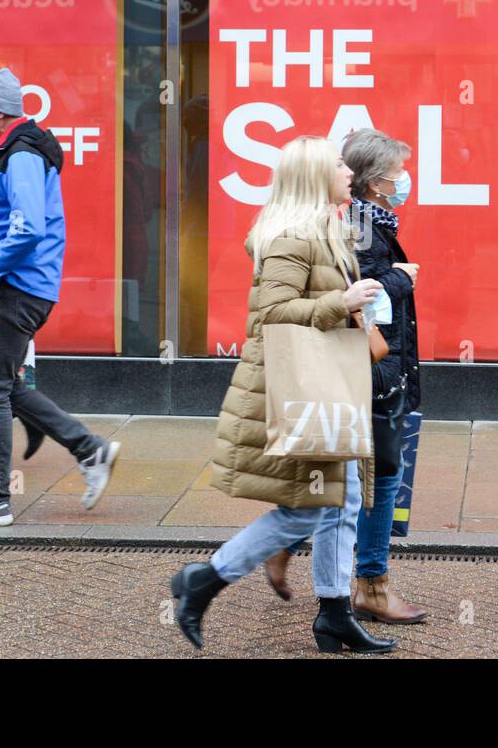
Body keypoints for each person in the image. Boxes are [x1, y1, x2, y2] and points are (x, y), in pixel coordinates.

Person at [168, 135, 396, 654]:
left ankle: (334, 614)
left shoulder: (327, 228)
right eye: (338, 164)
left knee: (344, 499)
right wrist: (342, 301)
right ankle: (205, 579)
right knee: (307, 509)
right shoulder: (295, 235)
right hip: (301, 390)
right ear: (316, 175)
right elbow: (271, 315)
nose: (347, 170)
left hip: (325, 386)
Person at [0, 67, 119, 528]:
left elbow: (26, 225)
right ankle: (89, 449)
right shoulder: (17, 149)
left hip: (14, 286)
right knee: (2, 384)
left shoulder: (19, 154)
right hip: (24, 284)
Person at [263, 128, 427, 624]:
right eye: (397, 174)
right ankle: (370, 586)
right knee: (382, 474)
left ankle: (286, 541)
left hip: (380, 363)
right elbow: (360, 293)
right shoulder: (361, 225)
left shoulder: (367, 219)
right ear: (376, 182)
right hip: (375, 368)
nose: (403, 181)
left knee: (360, 475)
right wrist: (403, 278)